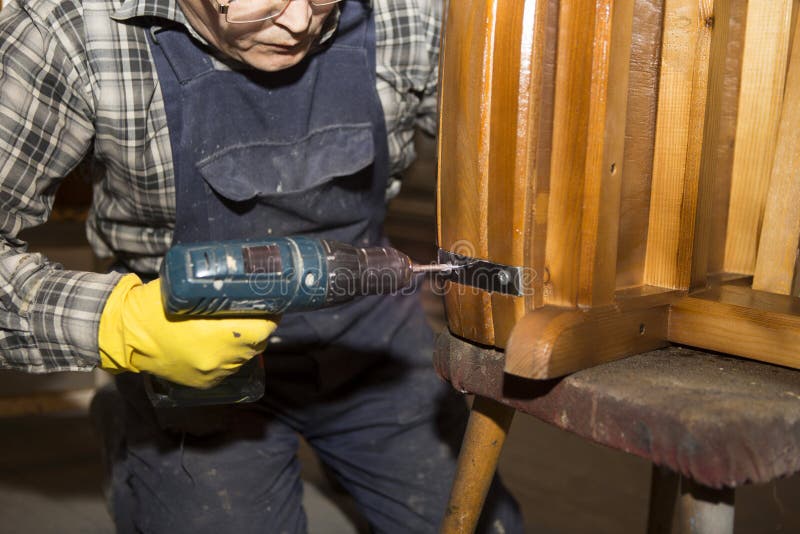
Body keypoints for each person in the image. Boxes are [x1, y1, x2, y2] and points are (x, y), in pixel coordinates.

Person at [0, 0, 524, 531]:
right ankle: (132, 430)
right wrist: (119, 324)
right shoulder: (67, 32)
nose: (299, 22)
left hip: (372, 337)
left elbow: (516, 147)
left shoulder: (412, 11)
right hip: (188, 358)